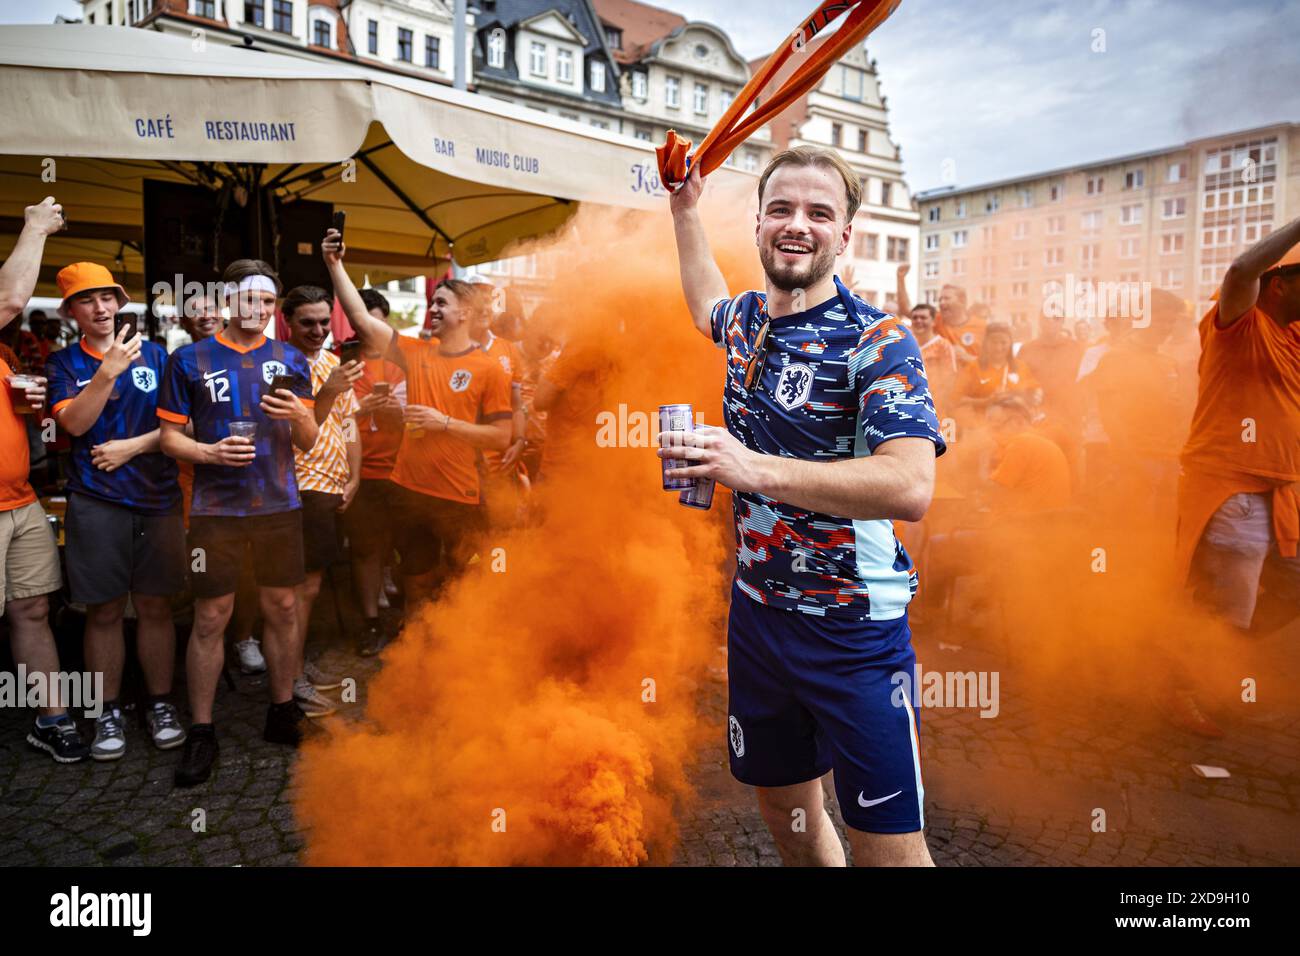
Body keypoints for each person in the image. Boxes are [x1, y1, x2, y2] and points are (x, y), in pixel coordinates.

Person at [667, 146, 944, 867]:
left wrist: (749, 467)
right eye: (782, 209)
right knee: (787, 810)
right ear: (759, 222)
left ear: (845, 235)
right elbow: (704, 302)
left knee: (889, 847)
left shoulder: (878, 341)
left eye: (819, 213)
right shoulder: (748, 321)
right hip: (757, 614)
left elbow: (910, 486)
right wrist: (684, 209)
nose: (798, 225)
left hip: (855, 630)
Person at [157, 258, 320, 787]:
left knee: (284, 605)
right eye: (252, 300)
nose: (262, 310)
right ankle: (202, 730)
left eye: (270, 302)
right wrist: (208, 453)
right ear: (228, 301)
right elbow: (168, 440)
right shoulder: (189, 360)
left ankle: (280, 712)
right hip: (215, 511)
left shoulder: (292, 358)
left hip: (278, 505)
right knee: (212, 617)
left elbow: (309, 441)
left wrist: (300, 417)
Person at [323, 230, 512, 614]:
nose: (433, 309)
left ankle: (463, 658)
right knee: (417, 581)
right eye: (432, 303)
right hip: (411, 495)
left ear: (466, 313)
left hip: (461, 498)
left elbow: (500, 437)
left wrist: (444, 422)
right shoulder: (415, 352)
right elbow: (359, 318)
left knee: (466, 581)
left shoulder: (490, 369)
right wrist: (335, 264)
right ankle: (415, 656)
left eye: (441, 303)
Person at [46, 262, 187, 760]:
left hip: (157, 499)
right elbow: (76, 427)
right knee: (104, 610)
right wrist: (105, 375)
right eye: (88, 300)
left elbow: (182, 428)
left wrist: (131, 446)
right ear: (71, 311)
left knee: (155, 606)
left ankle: (161, 704)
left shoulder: (157, 354)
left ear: (119, 301)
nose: (101, 308)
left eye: (107, 297)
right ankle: (107, 711)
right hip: (96, 501)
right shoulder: (63, 363)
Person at [1177, 216, 1300, 635]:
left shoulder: (1293, 334)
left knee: (1289, 588)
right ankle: (1195, 684)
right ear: (1279, 284)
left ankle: (1225, 660)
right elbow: (1241, 271)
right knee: (1228, 612)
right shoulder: (1240, 324)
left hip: (1281, 491)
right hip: (1234, 493)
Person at [0, 197, 90, 762]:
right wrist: (35, 227)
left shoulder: (4, 353)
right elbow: (11, 297)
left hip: (21, 501)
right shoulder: (9, 310)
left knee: (32, 609)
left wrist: (26, 399)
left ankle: (51, 717)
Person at [282, 284, 362, 716]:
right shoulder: (281, 364)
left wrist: (355, 476)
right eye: (306, 322)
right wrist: (327, 389)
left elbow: (349, 426)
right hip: (298, 486)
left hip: (331, 488)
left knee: (309, 588)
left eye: (322, 322)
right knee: (298, 589)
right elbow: (297, 431)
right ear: (287, 322)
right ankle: (290, 679)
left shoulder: (335, 363)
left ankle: (294, 668)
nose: (317, 330)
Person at [343, 288, 406, 656]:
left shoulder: (405, 361)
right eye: (360, 323)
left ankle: (410, 622)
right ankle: (370, 623)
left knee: (405, 549)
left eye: (375, 322)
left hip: (403, 472)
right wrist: (360, 409)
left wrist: (398, 414)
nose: (368, 330)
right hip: (362, 472)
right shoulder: (343, 363)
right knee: (365, 549)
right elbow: (330, 422)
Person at [952, 321, 1040, 419]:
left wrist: (1022, 397)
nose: (998, 348)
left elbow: (1034, 392)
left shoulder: (1020, 367)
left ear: (1010, 343)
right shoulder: (973, 368)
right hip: (982, 427)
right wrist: (986, 401)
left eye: (1003, 342)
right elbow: (956, 400)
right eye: (994, 342)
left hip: (1017, 425)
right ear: (986, 343)